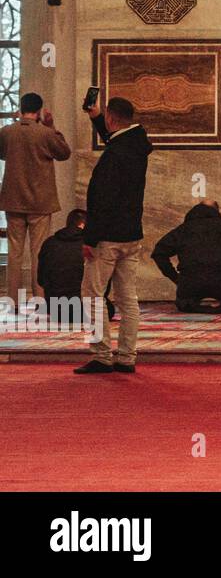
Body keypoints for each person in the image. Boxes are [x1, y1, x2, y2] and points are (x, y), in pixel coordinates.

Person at [75, 97, 152, 375]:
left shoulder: (115, 154)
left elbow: (102, 201)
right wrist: (96, 117)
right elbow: (116, 140)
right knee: (127, 298)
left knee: (92, 296)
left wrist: (89, 239)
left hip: (107, 237)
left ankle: (101, 355)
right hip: (131, 235)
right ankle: (127, 356)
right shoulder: (136, 145)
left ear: (111, 117)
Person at [0, 92, 72, 302]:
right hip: (40, 202)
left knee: (14, 253)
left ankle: (11, 300)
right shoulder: (45, 133)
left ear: (20, 109)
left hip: (13, 200)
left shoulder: (6, 132)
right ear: (40, 111)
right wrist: (51, 126)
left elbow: (2, 154)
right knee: (39, 252)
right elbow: (64, 153)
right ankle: (39, 298)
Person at [150, 200, 221, 314]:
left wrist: (176, 279)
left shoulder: (183, 230)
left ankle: (189, 303)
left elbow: (159, 253)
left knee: (185, 302)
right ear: (217, 211)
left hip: (191, 282)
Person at [36, 209, 113, 320]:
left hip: (56, 310)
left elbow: (41, 280)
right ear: (84, 225)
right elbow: (104, 285)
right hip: (86, 309)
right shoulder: (92, 247)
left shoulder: (49, 243)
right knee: (108, 309)